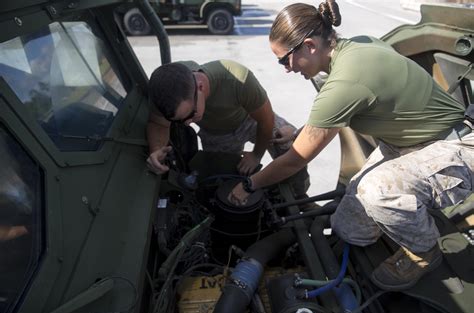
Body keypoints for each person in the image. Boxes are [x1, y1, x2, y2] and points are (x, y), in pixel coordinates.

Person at [229, 0, 473, 291]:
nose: (286, 69)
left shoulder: (346, 80)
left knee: (377, 192)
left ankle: (424, 251)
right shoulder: (353, 47)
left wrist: (249, 185)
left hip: (455, 146)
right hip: (410, 144)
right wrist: (298, 136)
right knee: (349, 228)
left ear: (309, 45)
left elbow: (295, 161)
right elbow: (334, 115)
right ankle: (403, 220)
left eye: (285, 60)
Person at [146, 59, 309, 196]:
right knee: (221, 181)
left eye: (191, 115)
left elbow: (266, 120)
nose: (188, 124)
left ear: (200, 87)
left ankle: (300, 197)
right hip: (216, 135)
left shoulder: (238, 79)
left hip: (249, 120)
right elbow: (159, 123)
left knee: (292, 146)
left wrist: (256, 155)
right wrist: (157, 150)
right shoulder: (165, 90)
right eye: (180, 121)